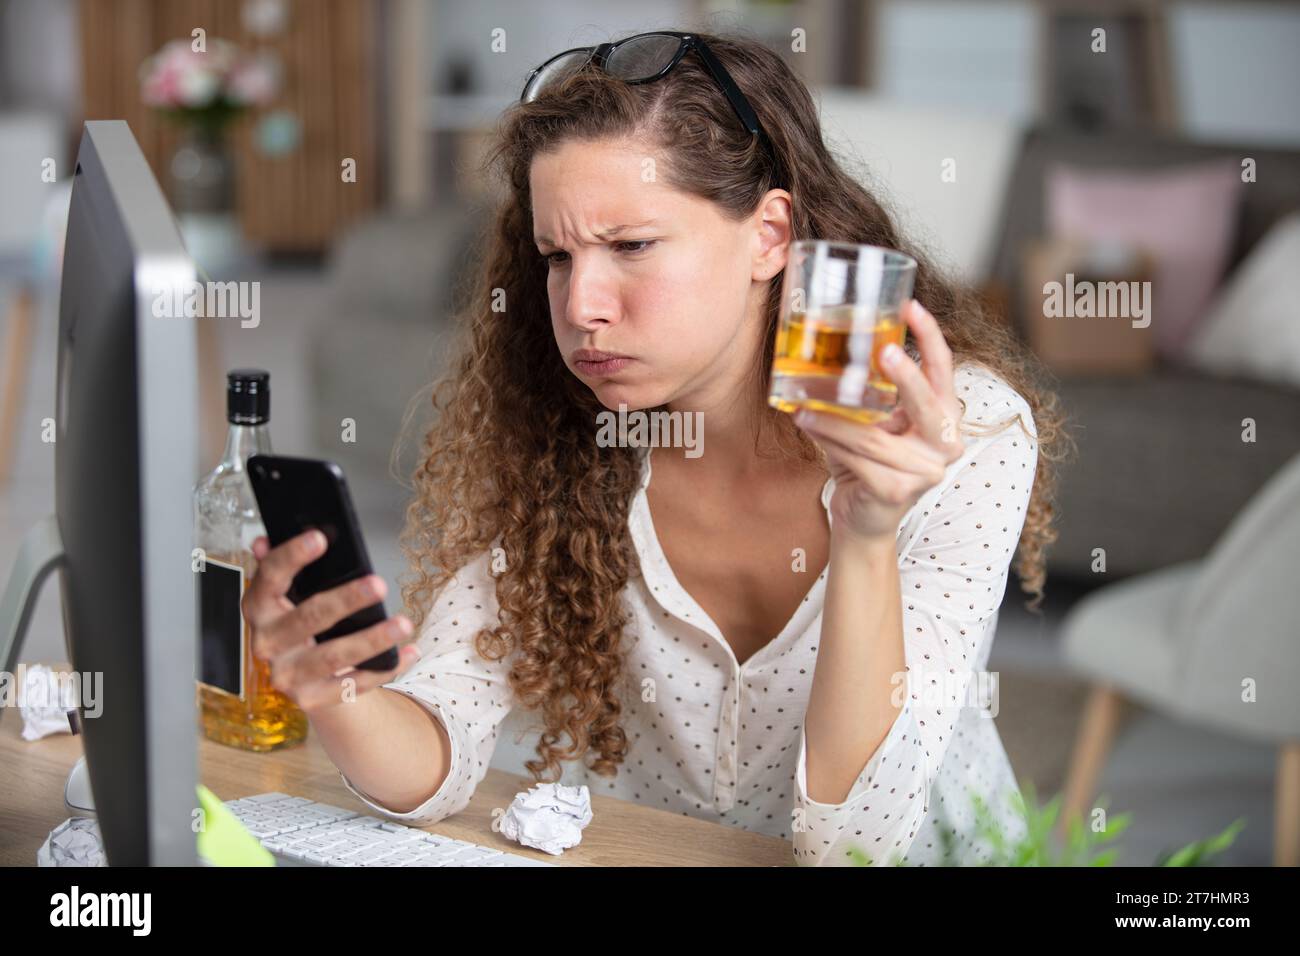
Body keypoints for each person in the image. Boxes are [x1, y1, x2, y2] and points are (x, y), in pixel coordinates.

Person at [242, 29, 1071, 866]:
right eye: (557, 257)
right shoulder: (563, 430)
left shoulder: (963, 432)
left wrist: (867, 531)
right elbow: (437, 746)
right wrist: (335, 688)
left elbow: (854, 846)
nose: (583, 306)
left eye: (631, 246)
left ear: (770, 235)